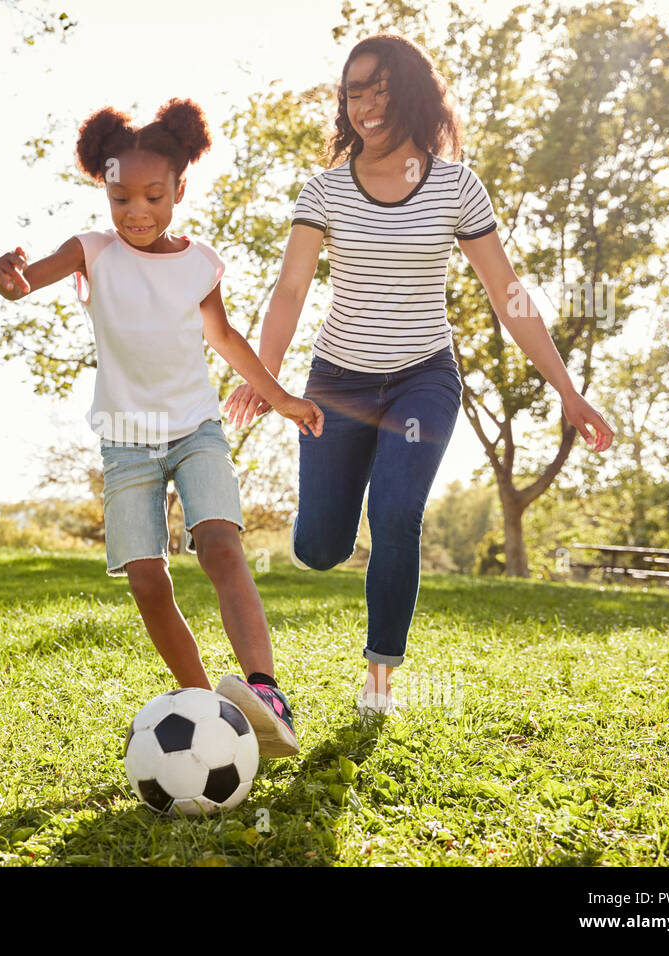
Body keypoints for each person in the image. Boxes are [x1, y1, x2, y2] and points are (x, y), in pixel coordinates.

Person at [224, 35, 614, 718]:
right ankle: (324, 520)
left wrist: (567, 389)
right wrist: (267, 374)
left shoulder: (456, 185)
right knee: (319, 548)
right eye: (354, 91)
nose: (367, 105)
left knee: (397, 514)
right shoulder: (324, 191)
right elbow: (289, 290)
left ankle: (379, 682)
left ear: (410, 92)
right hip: (337, 384)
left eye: (379, 88)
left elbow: (508, 293)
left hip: (422, 379)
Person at [0, 98, 324, 757]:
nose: (136, 211)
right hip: (126, 440)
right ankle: (207, 709)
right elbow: (27, 284)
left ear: (179, 190)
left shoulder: (199, 263)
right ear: (104, 193)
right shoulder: (92, 251)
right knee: (146, 580)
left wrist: (278, 396)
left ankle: (265, 691)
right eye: (121, 198)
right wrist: (8, 278)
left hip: (196, 428)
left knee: (220, 544)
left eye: (153, 196)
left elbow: (223, 336)